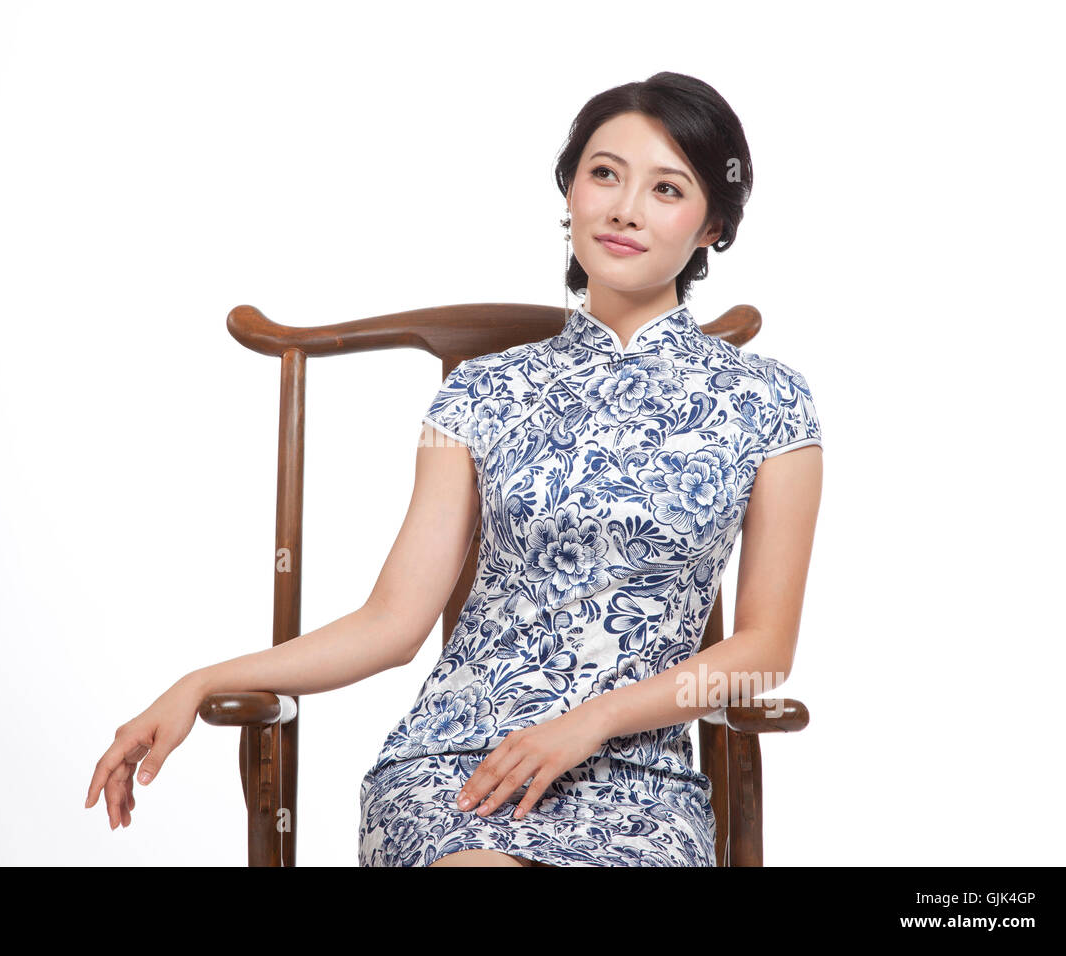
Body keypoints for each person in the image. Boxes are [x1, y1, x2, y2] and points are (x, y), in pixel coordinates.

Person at [84, 71, 823, 868]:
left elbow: (763, 649)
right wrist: (200, 680)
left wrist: (590, 722)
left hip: (638, 781)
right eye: (603, 172)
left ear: (712, 224)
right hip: (458, 767)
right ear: (570, 187)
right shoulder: (476, 394)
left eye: (667, 188)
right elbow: (393, 623)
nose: (624, 208)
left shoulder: (771, 401)